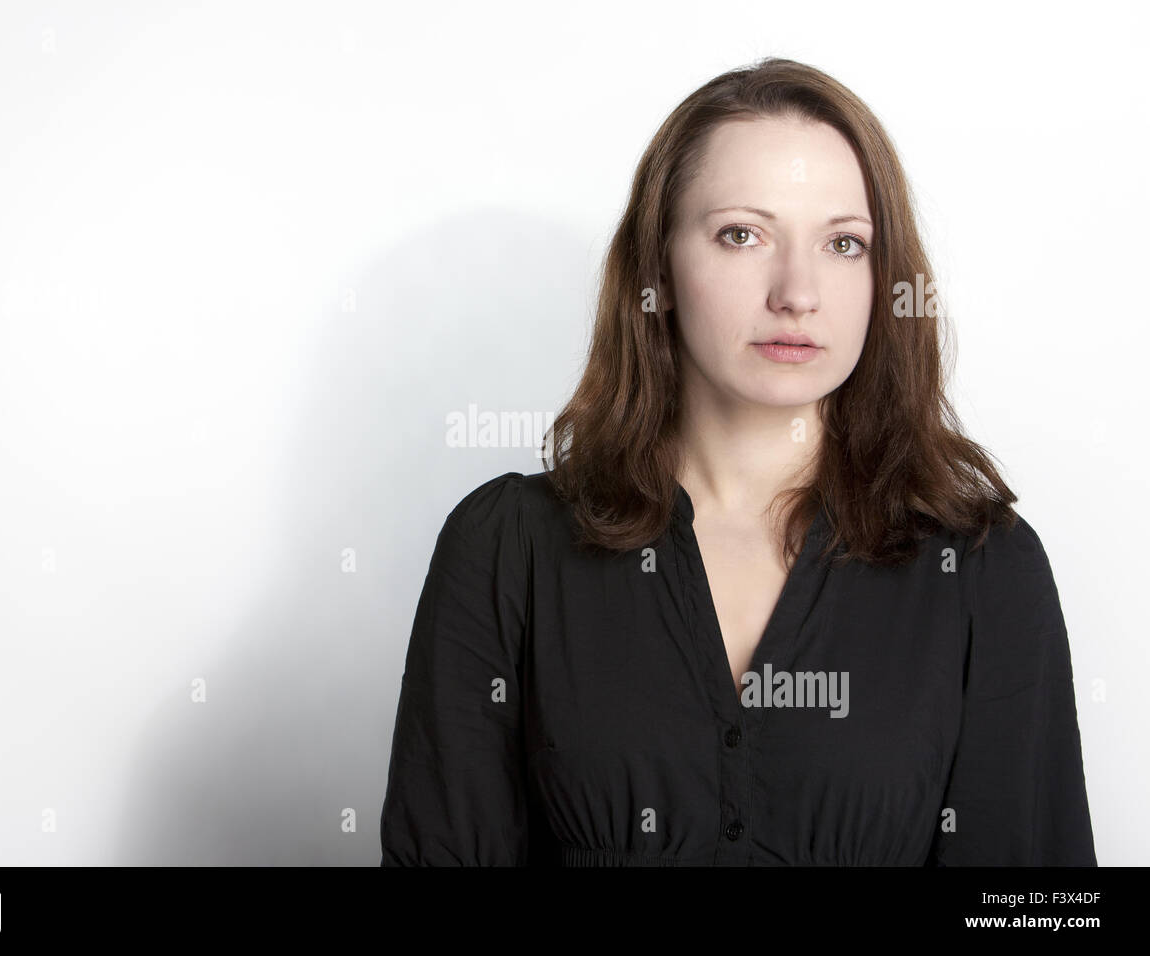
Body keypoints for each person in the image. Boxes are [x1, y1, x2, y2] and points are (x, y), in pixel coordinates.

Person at [378, 56, 1097, 866]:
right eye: (741, 234)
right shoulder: (508, 548)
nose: (797, 291)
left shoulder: (981, 570)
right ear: (658, 271)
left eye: (844, 243)